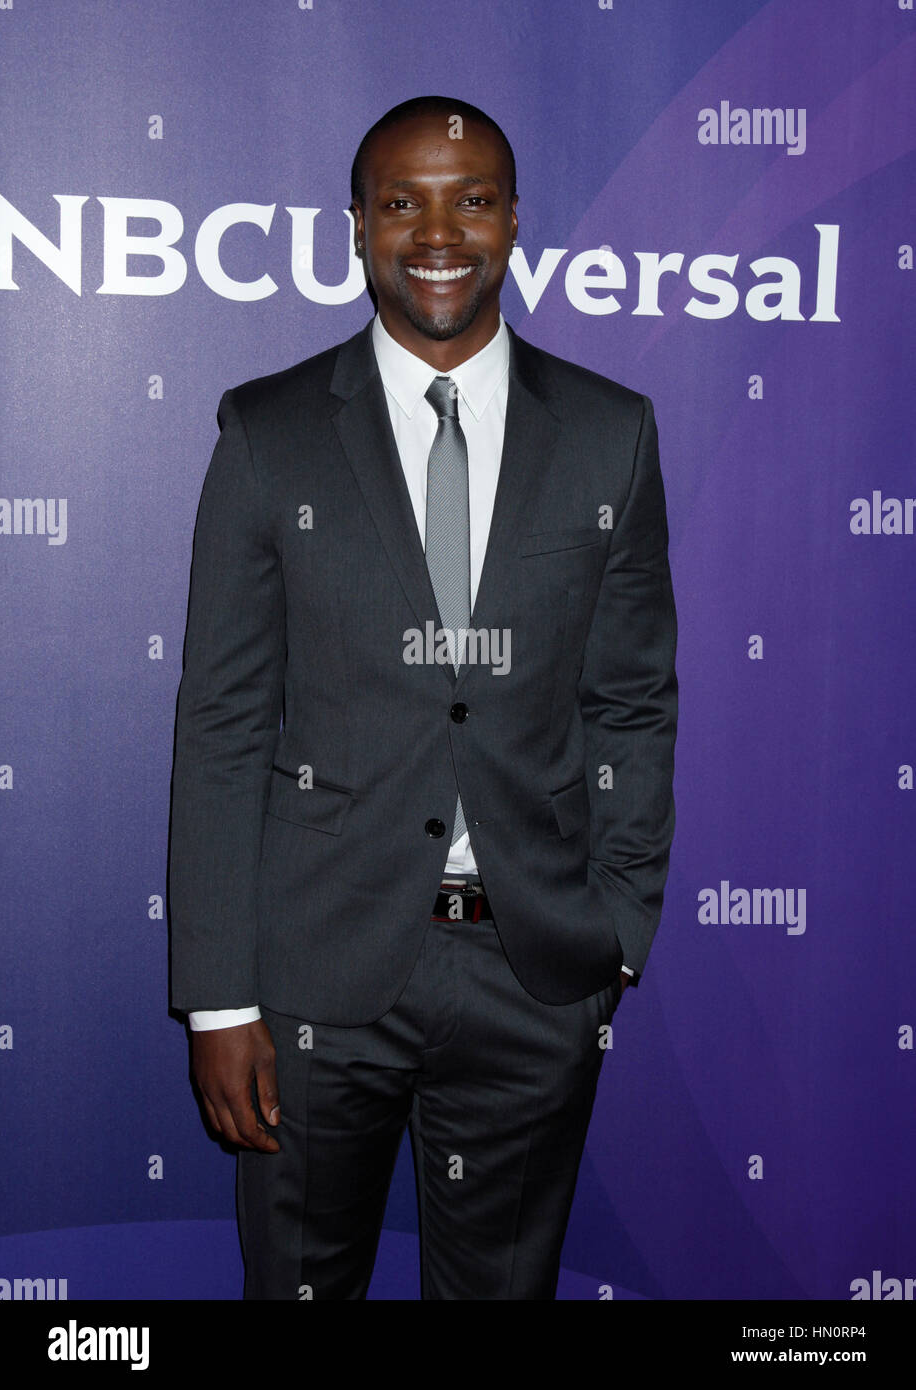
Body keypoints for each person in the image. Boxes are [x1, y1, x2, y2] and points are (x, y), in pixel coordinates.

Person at [168, 94, 678, 1301]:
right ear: (357, 225)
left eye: (472, 200)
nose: (438, 231)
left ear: (513, 222)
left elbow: (634, 698)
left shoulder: (612, 435)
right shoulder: (268, 432)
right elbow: (223, 725)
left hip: (535, 971)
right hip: (311, 980)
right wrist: (219, 1000)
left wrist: (619, 928)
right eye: (402, 202)